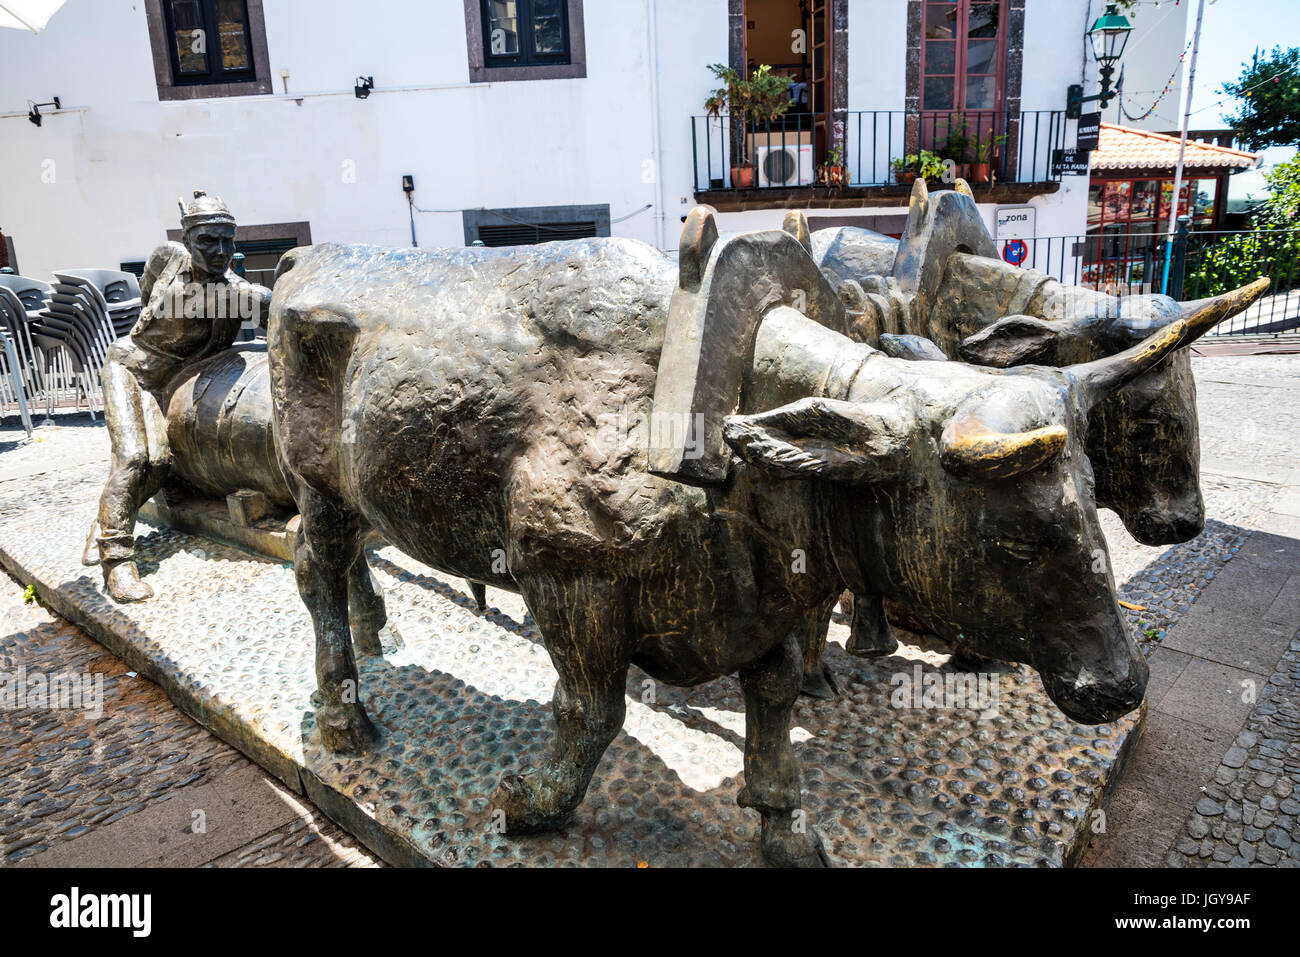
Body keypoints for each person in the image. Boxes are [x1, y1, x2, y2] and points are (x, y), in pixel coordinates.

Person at [83, 190, 271, 601]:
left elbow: (276, 320)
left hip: (180, 383)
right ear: (188, 240)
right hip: (134, 371)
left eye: (227, 241)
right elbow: (150, 301)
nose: (218, 251)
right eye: (207, 240)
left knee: (163, 462)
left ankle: (114, 514)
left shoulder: (238, 293)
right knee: (138, 457)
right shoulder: (166, 259)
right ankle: (117, 562)